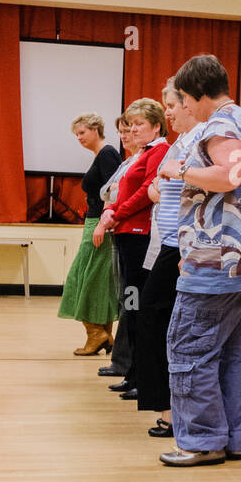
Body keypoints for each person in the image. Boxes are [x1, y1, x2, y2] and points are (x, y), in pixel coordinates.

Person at [158, 54, 241, 466]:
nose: (183, 109)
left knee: (188, 347)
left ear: (198, 95)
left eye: (185, 100)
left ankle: (203, 440)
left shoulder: (220, 124)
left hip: (217, 259)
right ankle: (230, 437)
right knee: (231, 350)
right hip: (240, 257)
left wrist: (179, 171)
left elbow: (229, 176)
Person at [133, 81, 203, 437]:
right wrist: (158, 187)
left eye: (171, 105)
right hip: (170, 245)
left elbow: (203, 188)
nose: (168, 111)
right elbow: (156, 188)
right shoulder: (179, 142)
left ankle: (173, 411)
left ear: (189, 103)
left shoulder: (201, 138)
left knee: (159, 323)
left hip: (182, 247)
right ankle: (166, 407)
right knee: (154, 321)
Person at [96, 100, 169, 399]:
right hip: (126, 234)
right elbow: (122, 189)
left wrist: (118, 212)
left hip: (140, 236)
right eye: (131, 124)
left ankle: (141, 375)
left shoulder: (160, 151)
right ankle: (132, 372)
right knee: (130, 304)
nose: (133, 129)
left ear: (156, 125)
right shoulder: (143, 153)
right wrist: (111, 210)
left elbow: (145, 193)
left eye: (139, 124)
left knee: (137, 306)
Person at [58, 114, 122, 356]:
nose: (79, 138)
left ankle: (96, 333)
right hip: (96, 222)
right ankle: (104, 335)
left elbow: (114, 191)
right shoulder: (102, 155)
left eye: (82, 132)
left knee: (82, 277)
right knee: (96, 278)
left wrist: (103, 224)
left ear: (96, 130)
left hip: (99, 223)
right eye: (77, 134)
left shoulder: (107, 154)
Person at [98, 116, 139, 381]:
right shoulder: (127, 161)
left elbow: (123, 196)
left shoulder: (143, 159)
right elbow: (106, 192)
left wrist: (115, 193)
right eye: (122, 132)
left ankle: (126, 363)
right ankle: (123, 361)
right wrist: (113, 192)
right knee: (125, 298)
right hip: (121, 234)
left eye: (130, 130)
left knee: (131, 301)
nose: (125, 135)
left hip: (135, 236)